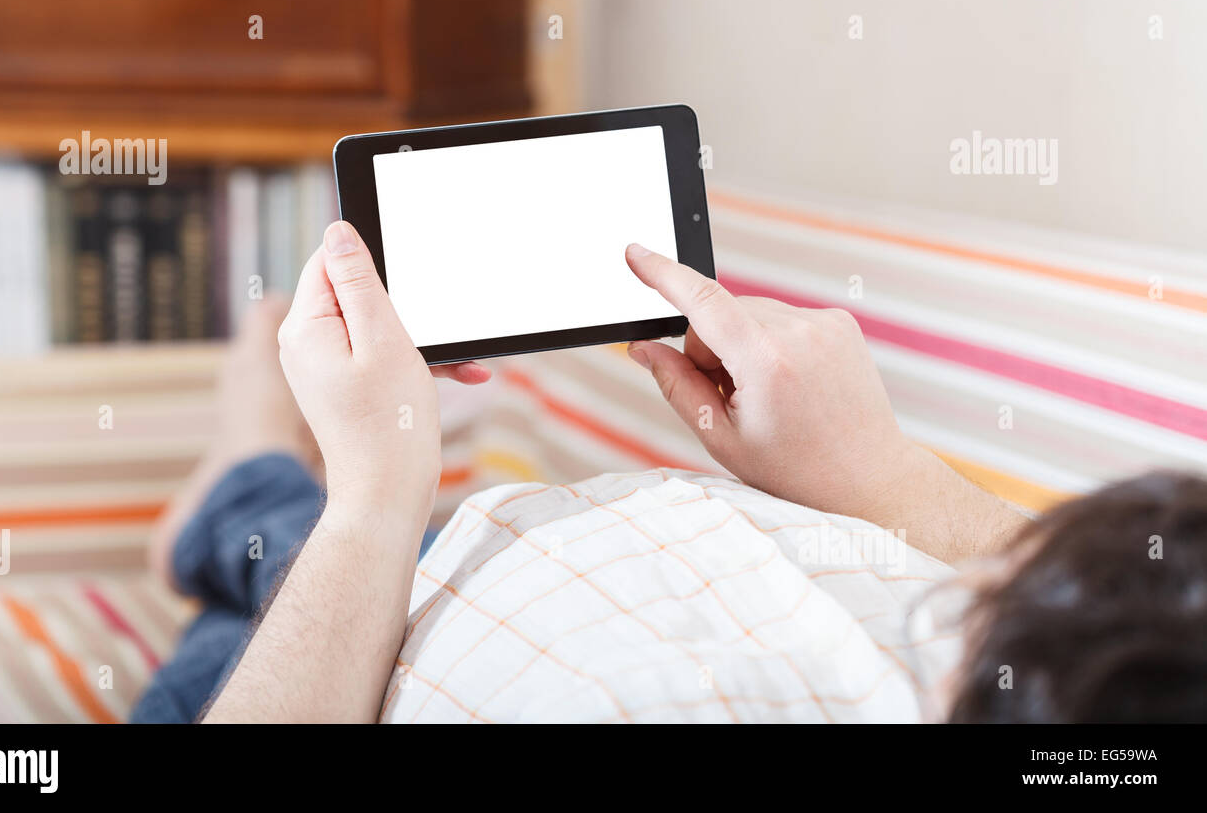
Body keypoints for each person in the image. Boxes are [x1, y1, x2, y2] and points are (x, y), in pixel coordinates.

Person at [131, 221, 1207, 723]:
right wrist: (884, 477)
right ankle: (245, 499)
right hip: (443, 554)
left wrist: (370, 495)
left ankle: (245, 480)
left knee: (250, 609)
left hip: (338, 647)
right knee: (277, 547)